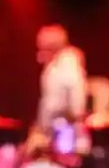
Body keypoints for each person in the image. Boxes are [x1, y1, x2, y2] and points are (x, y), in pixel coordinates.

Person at [26, 24, 88, 158]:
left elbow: (74, 103)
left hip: (65, 132)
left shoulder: (67, 65)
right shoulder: (54, 67)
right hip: (56, 130)